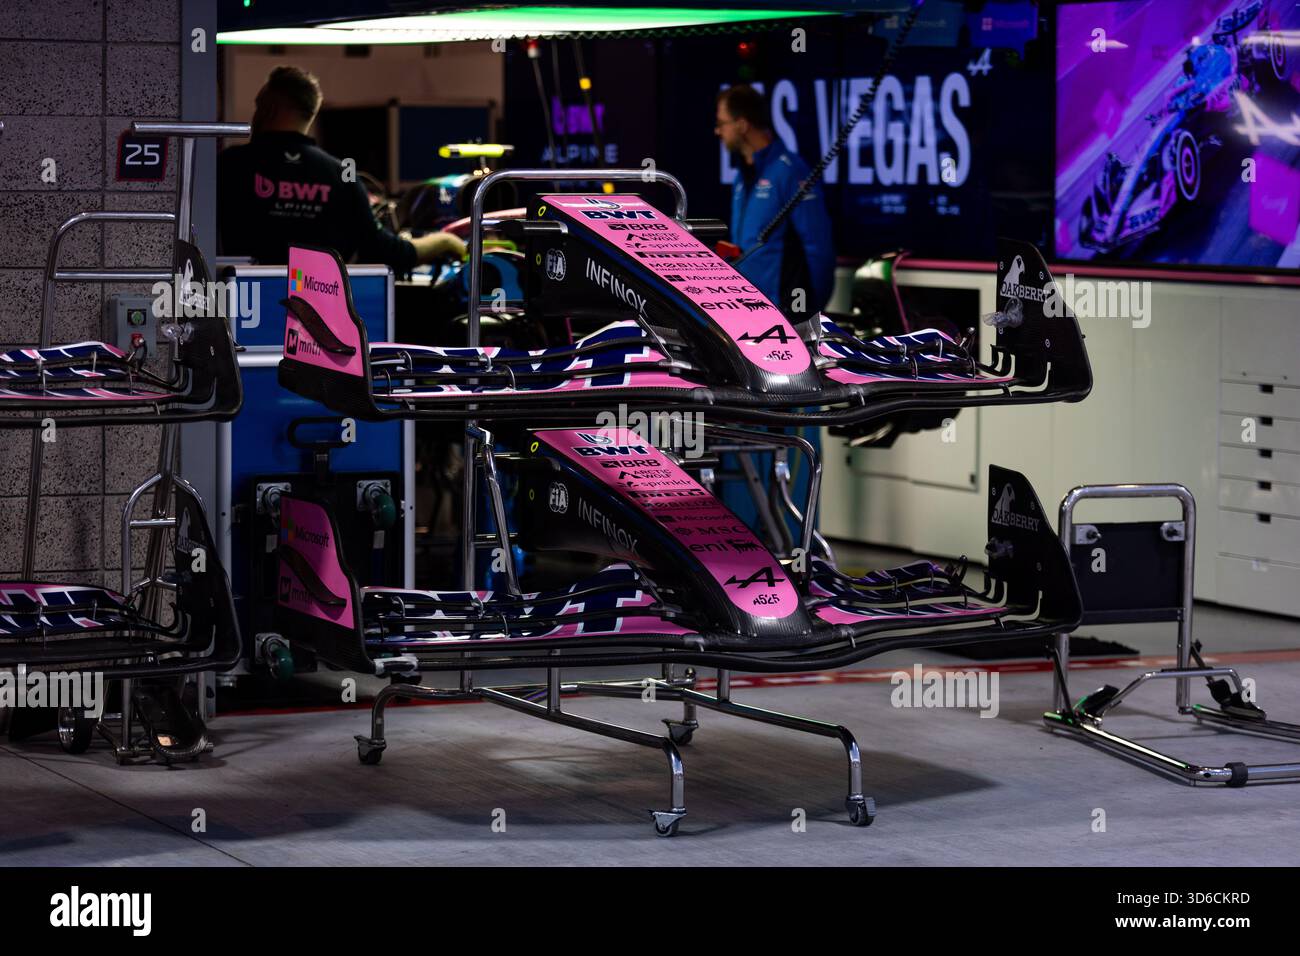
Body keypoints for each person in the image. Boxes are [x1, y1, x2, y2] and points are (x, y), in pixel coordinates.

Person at [218, 66, 465, 270]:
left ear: (267, 107)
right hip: (317, 314)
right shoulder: (341, 175)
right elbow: (386, 251)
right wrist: (444, 241)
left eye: (258, 104)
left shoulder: (228, 165)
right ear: (310, 112)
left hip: (239, 305)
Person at [715, 84, 835, 318]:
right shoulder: (742, 176)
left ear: (742, 124)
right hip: (748, 311)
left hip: (786, 313)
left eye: (722, 123)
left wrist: (810, 314)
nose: (717, 131)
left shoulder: (790, 171)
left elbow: (818, 246)